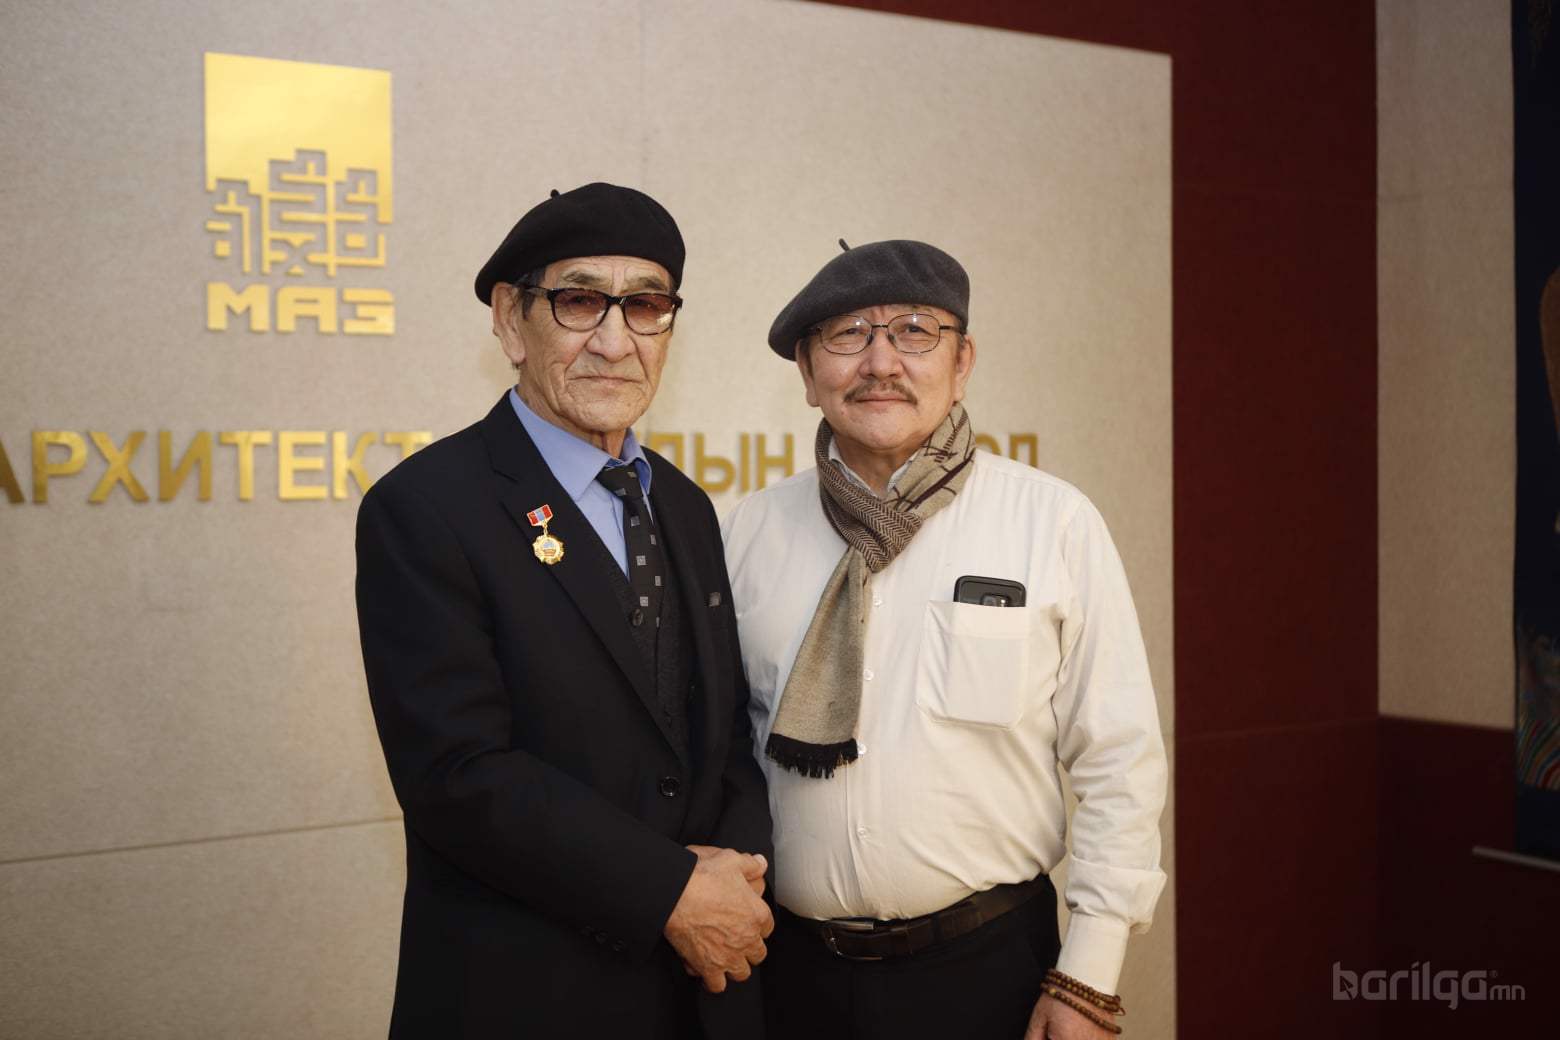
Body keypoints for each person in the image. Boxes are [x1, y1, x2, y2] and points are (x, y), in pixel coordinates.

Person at [355, 182, 773, 1039]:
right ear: (511, 321)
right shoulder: (427, 508)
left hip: (697, 991)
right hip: (525, 991)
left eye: (645, 306)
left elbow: (723, 728)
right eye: (580, 301)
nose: (615, 342)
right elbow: (458, 773)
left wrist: (735, 877)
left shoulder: (685, 506)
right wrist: (671, 892)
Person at [721, 240, 1167, 1040]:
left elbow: (1118, 761)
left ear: (962, 364)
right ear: (807, 373)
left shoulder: (1051, 522)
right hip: (791, 979)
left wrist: (1088, 978)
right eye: (847, 334)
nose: (880, 362)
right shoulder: (750, 531)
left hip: (991, 974)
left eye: (915, 331)